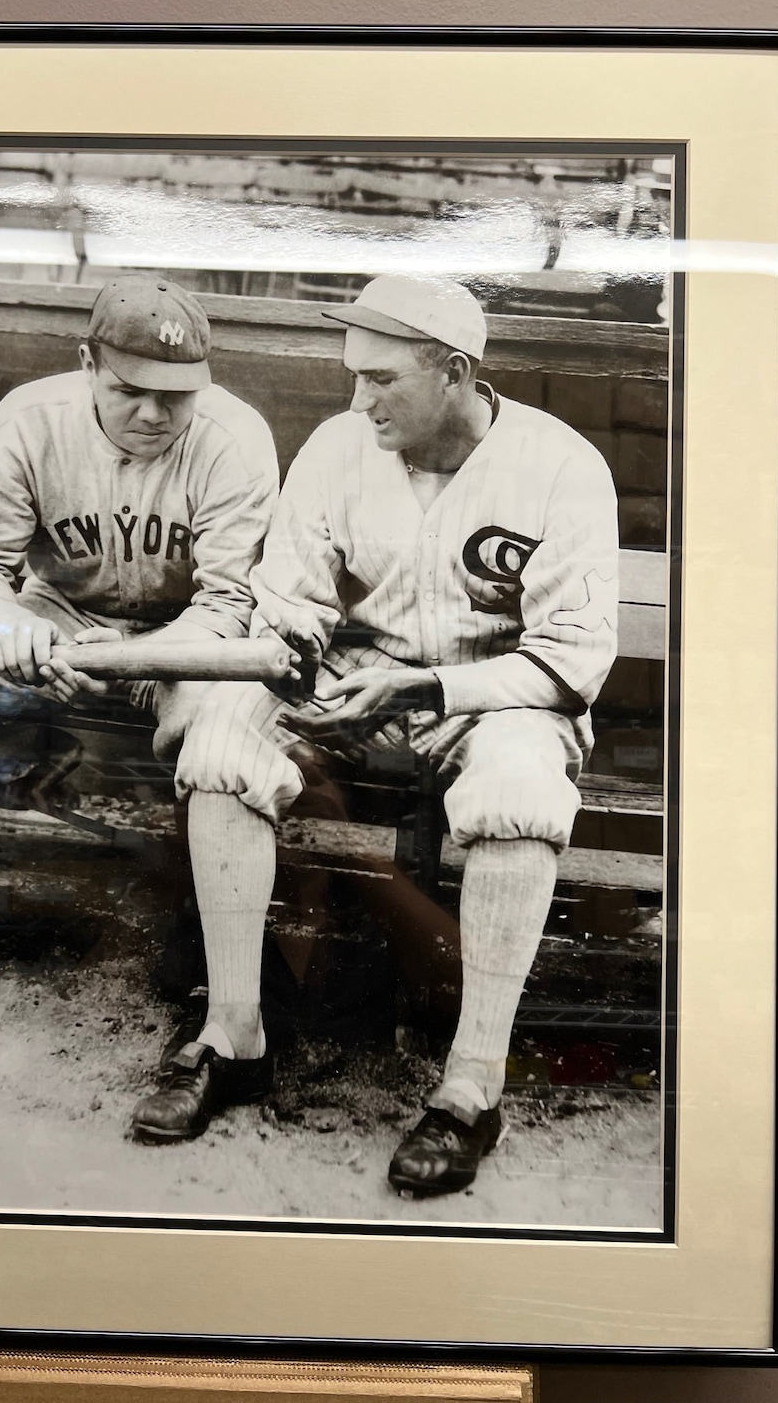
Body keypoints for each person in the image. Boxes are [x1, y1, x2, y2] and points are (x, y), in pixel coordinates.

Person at [160, 273, 619, 1193]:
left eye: (382, 379)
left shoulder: (559, 466)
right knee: (219, 745)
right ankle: (234, 1036)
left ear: (454, 373)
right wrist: (296, 649)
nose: (359, 398)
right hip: (354, 682)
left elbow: (571, 659)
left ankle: (471, 1089)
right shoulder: (339, 448)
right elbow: (289, 597)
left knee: (521, 794)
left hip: (494, 694)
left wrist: (436, 689)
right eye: (353, 375)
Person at [0, 274, 284, 1137]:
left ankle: (207, 956)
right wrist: (11, 627)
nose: (154, 413)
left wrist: (132, 659)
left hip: (181, 639)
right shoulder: (29, 421)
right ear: (87, 363)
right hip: (56, 620)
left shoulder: (234, 439)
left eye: (175, 395)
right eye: (130, 390)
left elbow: (230, 602)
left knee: (217, 731)